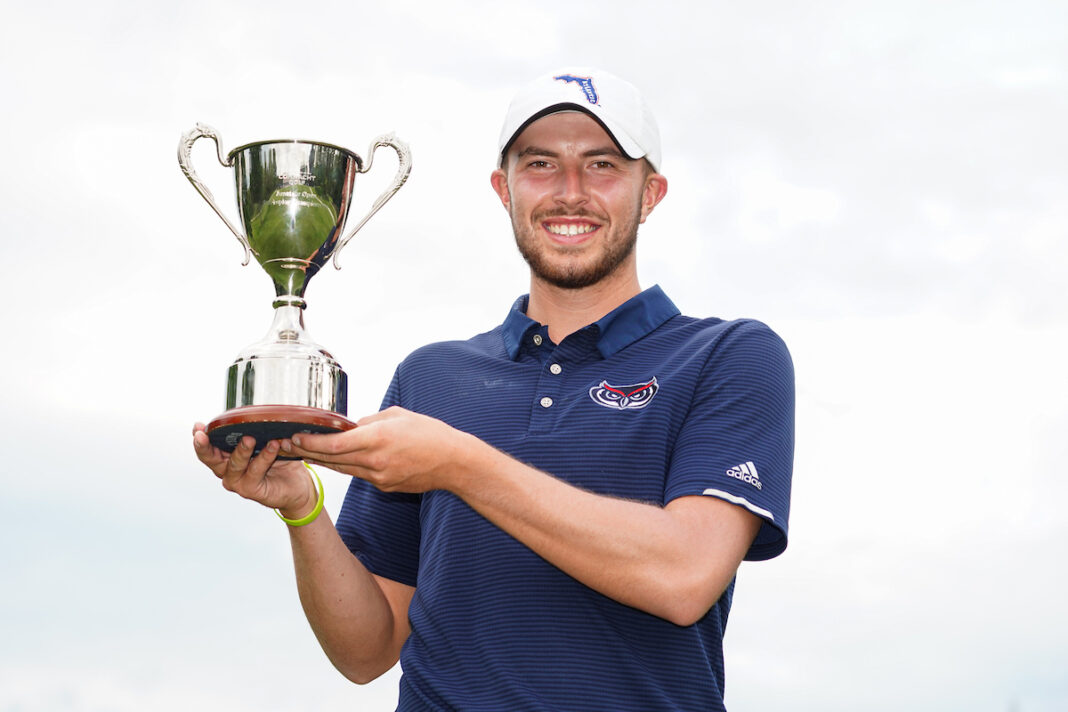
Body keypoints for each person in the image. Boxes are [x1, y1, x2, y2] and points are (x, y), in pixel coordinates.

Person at [193, 67, 794, 712]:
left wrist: (458, 464)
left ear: (651, 194)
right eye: (540, 164)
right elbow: (366, 651)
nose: (571, 192)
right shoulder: (431, 378)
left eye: (602, 165)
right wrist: (302, 508)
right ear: (503, 190)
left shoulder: (730, 356)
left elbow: (683, 575)